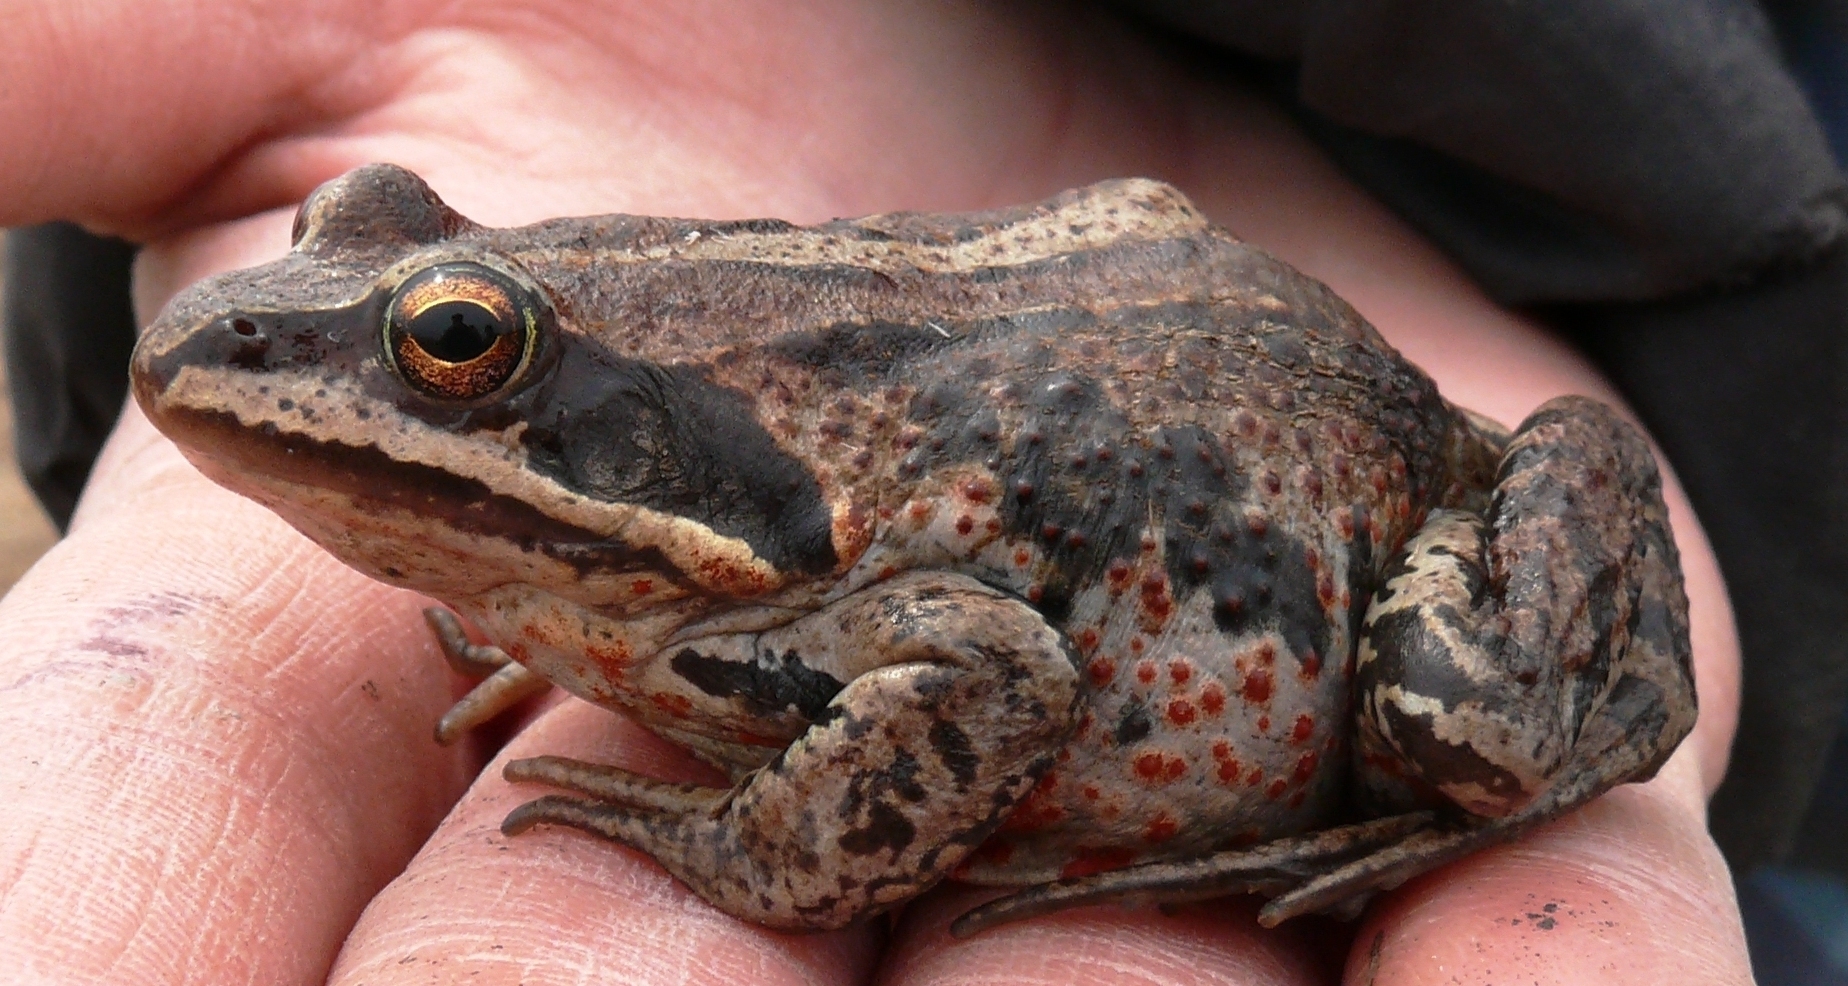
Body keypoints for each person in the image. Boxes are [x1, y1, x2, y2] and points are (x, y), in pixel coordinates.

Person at [0, 2, 1755, 982]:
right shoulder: (687, 573)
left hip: (1354, 477)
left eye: (453, 345)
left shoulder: (782, 582)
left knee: (1469, 713)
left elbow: (1000, 672)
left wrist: (758, 849)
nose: (293, 358)